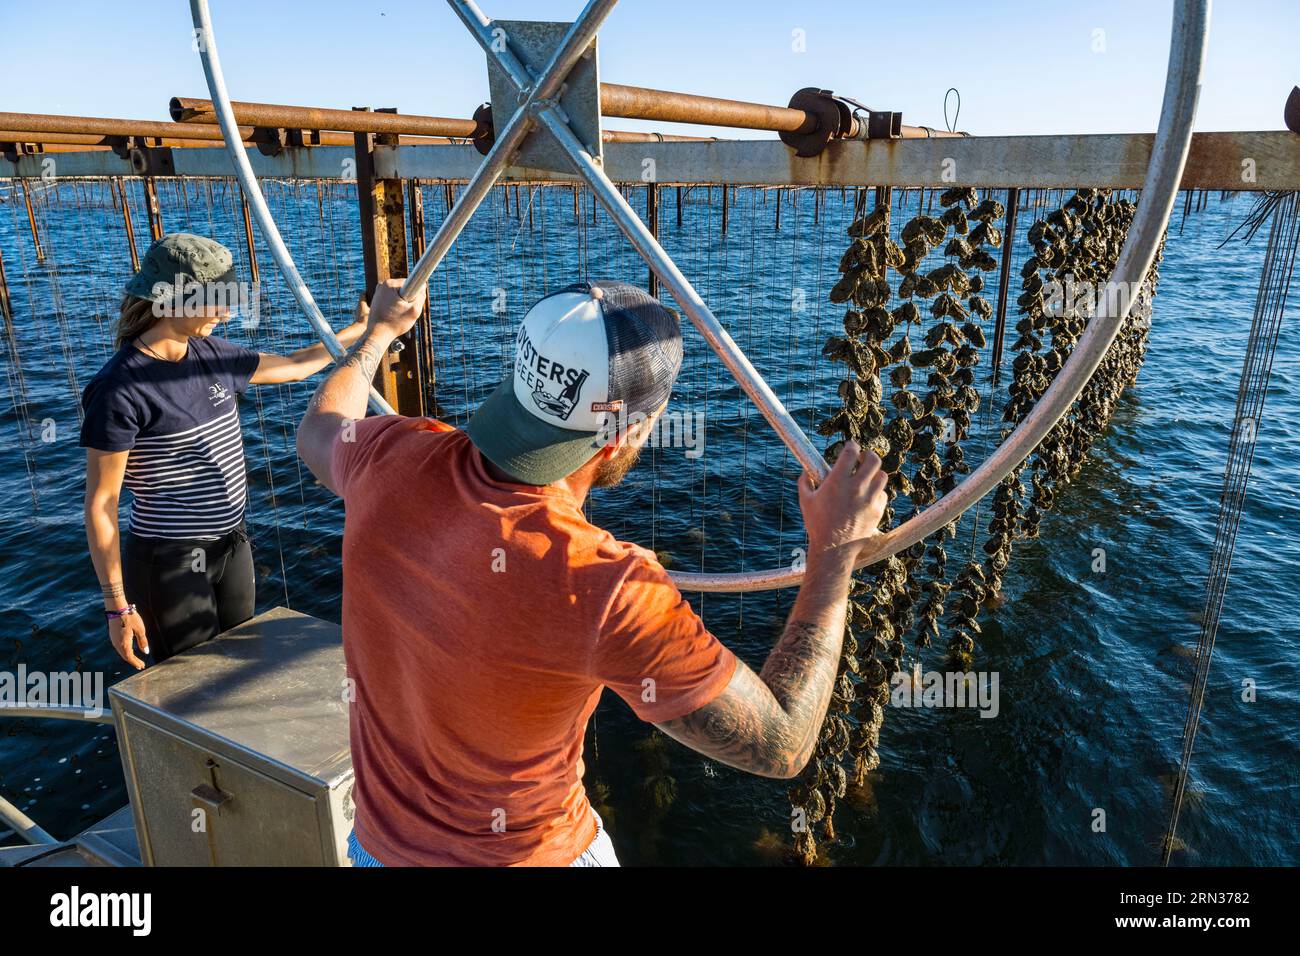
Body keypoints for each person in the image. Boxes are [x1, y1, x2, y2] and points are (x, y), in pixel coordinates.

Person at [296, 278, 887, 867]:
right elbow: (783, 746)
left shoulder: (387, 455)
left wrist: (376, 336)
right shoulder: (607, 588)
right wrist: (834, 554)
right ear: (629, 434)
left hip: (377, 852)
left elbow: (317, 431)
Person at [83, 233, 370, 669]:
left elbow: (295, 367)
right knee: (191, 681)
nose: (227, 311)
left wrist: (366, 329)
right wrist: (118, 606)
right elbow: (101, 504)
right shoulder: (119, 389)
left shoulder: (211, 354)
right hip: (171, 560)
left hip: (232, 544)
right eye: (215, 299)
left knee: (242, 661)